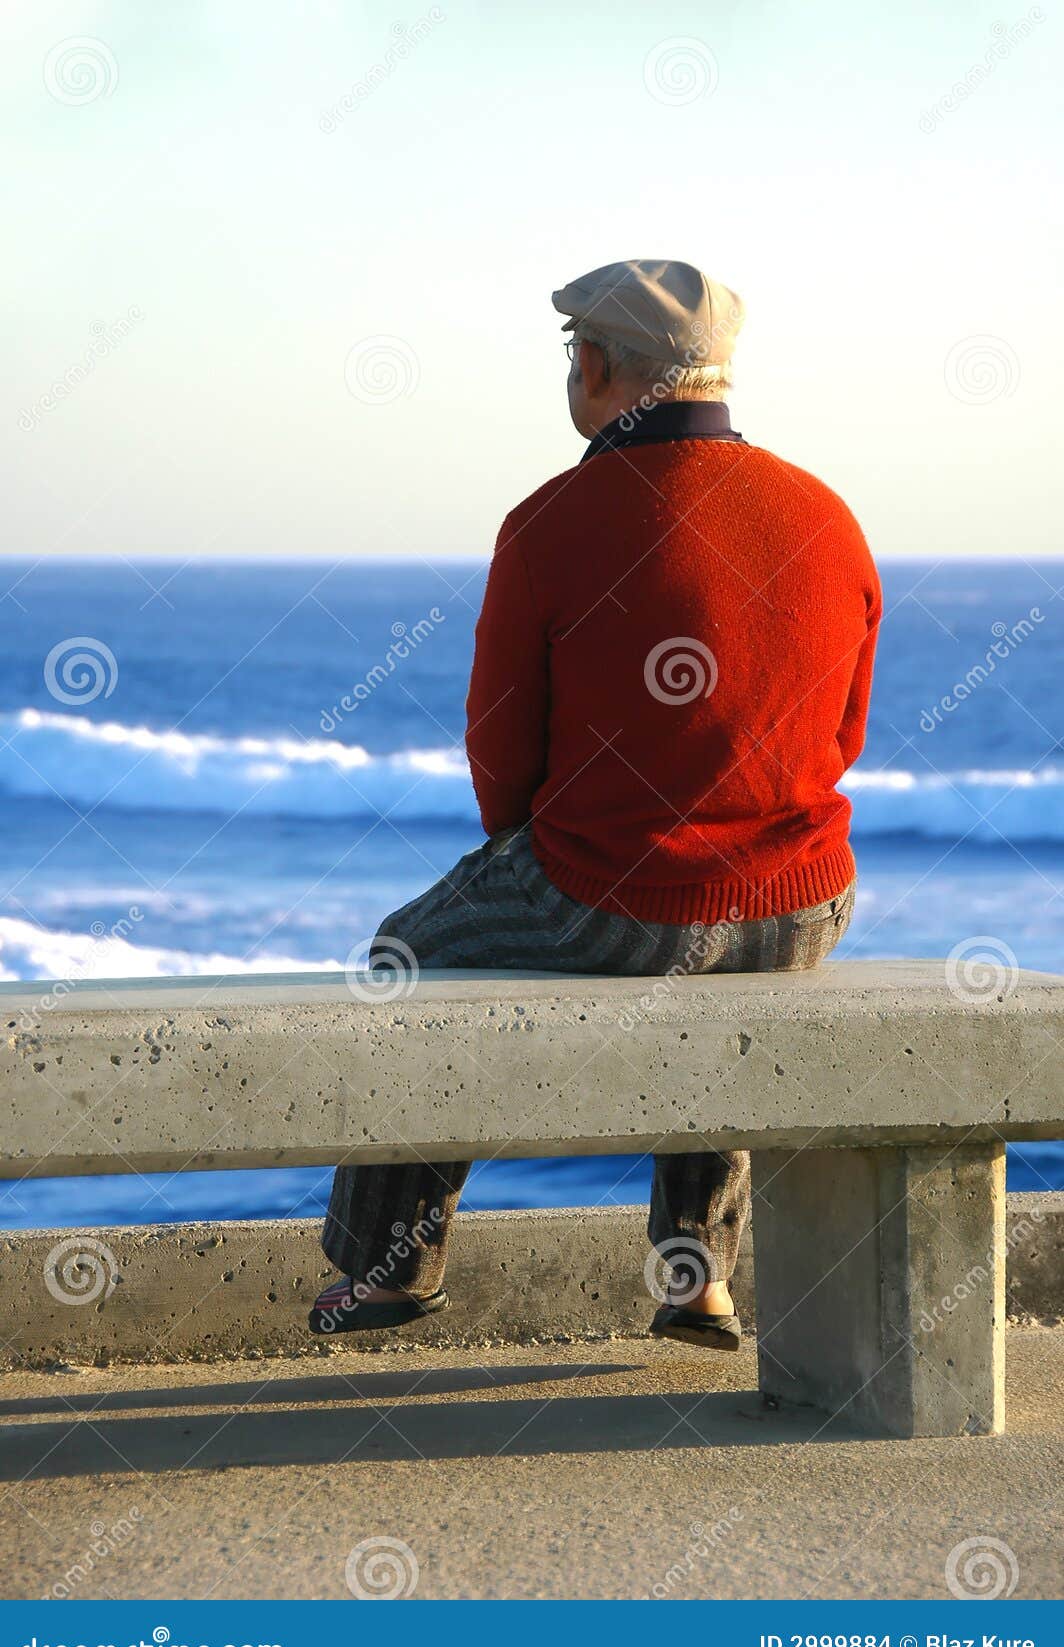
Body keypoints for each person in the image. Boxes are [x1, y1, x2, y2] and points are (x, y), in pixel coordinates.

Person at [310, 258, 881, 1351]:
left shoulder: (551, 522)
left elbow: (501, 762)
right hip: (803, 900)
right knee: (724, 982)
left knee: (404, 954)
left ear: (594, 367)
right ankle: (695, 1278)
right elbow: (842, 736)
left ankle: (391, 1271)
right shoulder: (827, 516)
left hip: (607, 895)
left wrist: (542, 854)